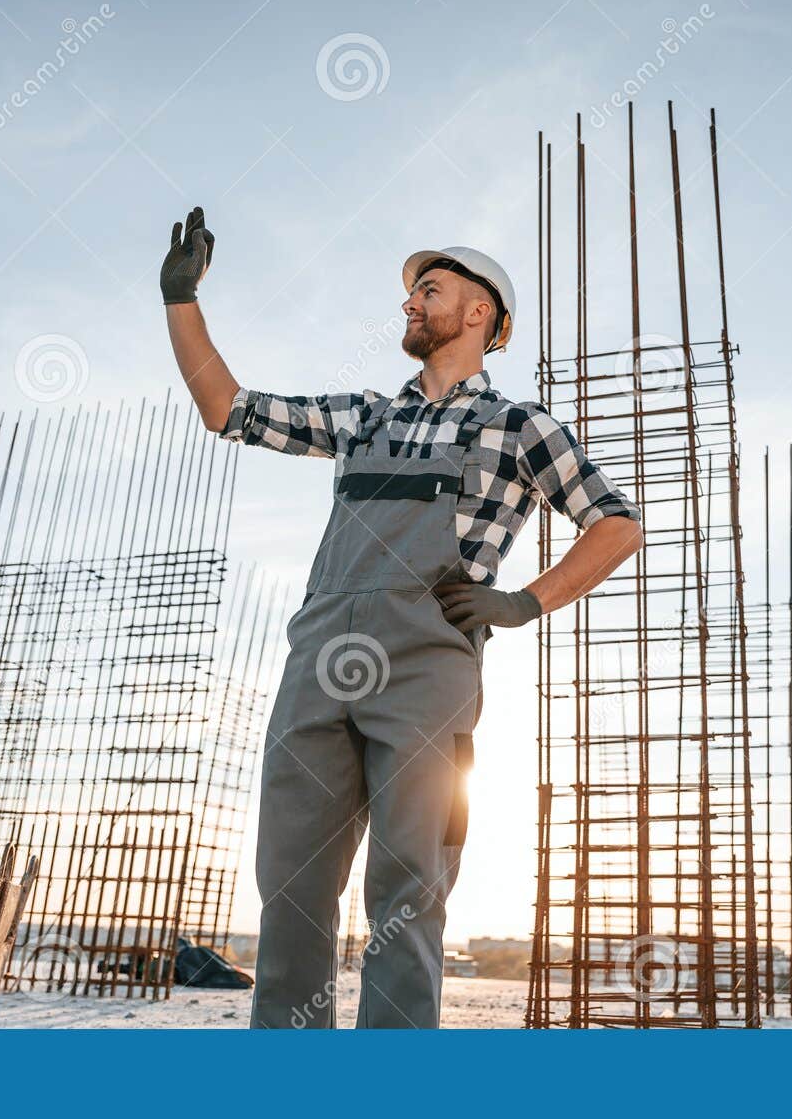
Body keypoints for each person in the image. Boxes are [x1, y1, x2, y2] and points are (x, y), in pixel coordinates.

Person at [161, 206, 643, 1028]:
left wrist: (524, 601)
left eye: (430, 290)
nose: (410, 303)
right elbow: (226, 408)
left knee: (408, 887)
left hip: (427, 672)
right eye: (413, 292)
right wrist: (181, 300)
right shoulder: (364, 417)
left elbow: (618, 523)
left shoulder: (517, 426)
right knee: (291, 883)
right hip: (319, 666)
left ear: (480, 312)